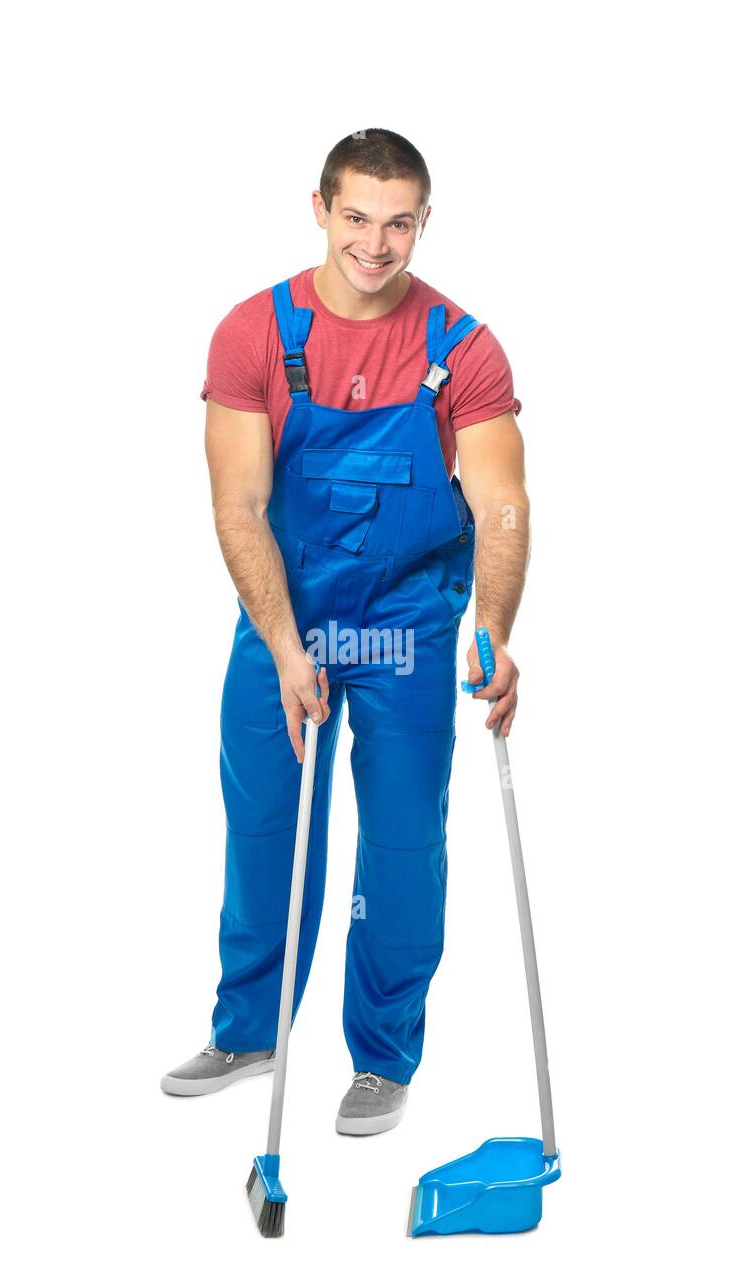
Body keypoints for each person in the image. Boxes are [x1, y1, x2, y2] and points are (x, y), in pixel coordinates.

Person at [161, 128, 529, 1135]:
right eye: (357, 216)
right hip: (289, 616)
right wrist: (285, 648)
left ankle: (382, 1055)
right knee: (267, 830)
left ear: (422, 222)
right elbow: (239, 506)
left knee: (403, 843)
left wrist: (489, 628)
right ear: (319, 208)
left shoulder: (460, 347)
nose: (376, 242)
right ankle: (250, 1029)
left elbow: (500, 506)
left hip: (408, 624)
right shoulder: (252, 333)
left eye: (399, 220)